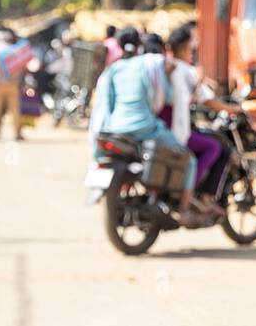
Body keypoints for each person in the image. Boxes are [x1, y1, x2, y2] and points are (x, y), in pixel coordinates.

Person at [89, 27, 207, 225]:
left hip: (116, 129)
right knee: (189, 160)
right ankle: (184, 210)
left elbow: (108, 104)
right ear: (140, 45)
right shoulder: (148, 65)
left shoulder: (114, 69)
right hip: (145, 128)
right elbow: (167, 97)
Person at [165, 24, 228, 211]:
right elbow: (208, 100)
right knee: (214, 147)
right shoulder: (186, 70)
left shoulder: (165, 66)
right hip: (177, 131)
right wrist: (234, 109)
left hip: (160, 128)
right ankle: (190, 193)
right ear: (186, 48)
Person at [0, 28, 26, 141]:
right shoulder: (14, 49)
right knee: (15, 109)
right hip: (13, 84)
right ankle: (17, 134)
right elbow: (21, 67)